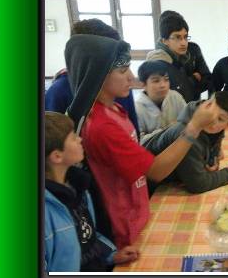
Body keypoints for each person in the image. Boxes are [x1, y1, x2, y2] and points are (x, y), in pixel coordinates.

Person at [65, 33, 218, 247]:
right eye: (122, 70)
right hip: (122, 226)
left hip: (136, 211)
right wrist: (194, 126)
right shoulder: (102, 126)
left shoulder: (115, 109)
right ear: (98, 76)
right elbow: (154, 171)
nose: (130, 77)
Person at [44, 112, 138, 272]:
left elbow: (88, 236)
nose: (80, 139)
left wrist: (112, 255)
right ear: (57, 156)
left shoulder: (77, 187)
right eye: (73, 137)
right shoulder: (46, 212)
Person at [45, 18, 140, 135]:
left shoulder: (120, 85)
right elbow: (51, 143)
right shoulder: (58, 91)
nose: (130, 76)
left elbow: (134, 132)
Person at [144, 92, 228, 194]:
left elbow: (214, 149)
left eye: (220, 119)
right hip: (148, 187)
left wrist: (212, 158)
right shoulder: (188, 135)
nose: (212, 120)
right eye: (211, 113)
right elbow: (199, 184)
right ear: (204, 105)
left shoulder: (215, 130)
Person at [145, 11, 212, 102]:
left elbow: (208, 80)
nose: (183, 43)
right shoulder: (157, 58)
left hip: (193, 106)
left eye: (185, 37)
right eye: (177, 37)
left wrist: (187, 86)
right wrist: (194, 79)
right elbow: (176, 91)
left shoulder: (193, 48)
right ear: (164, 38)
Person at [134, 60, 187, 136]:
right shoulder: (137, 108)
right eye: (156, 81)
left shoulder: (175, 97)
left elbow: (187, 120)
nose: (163, 85)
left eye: (166, 79)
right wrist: (167, 130)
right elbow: (139, 140)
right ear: (143, 85)